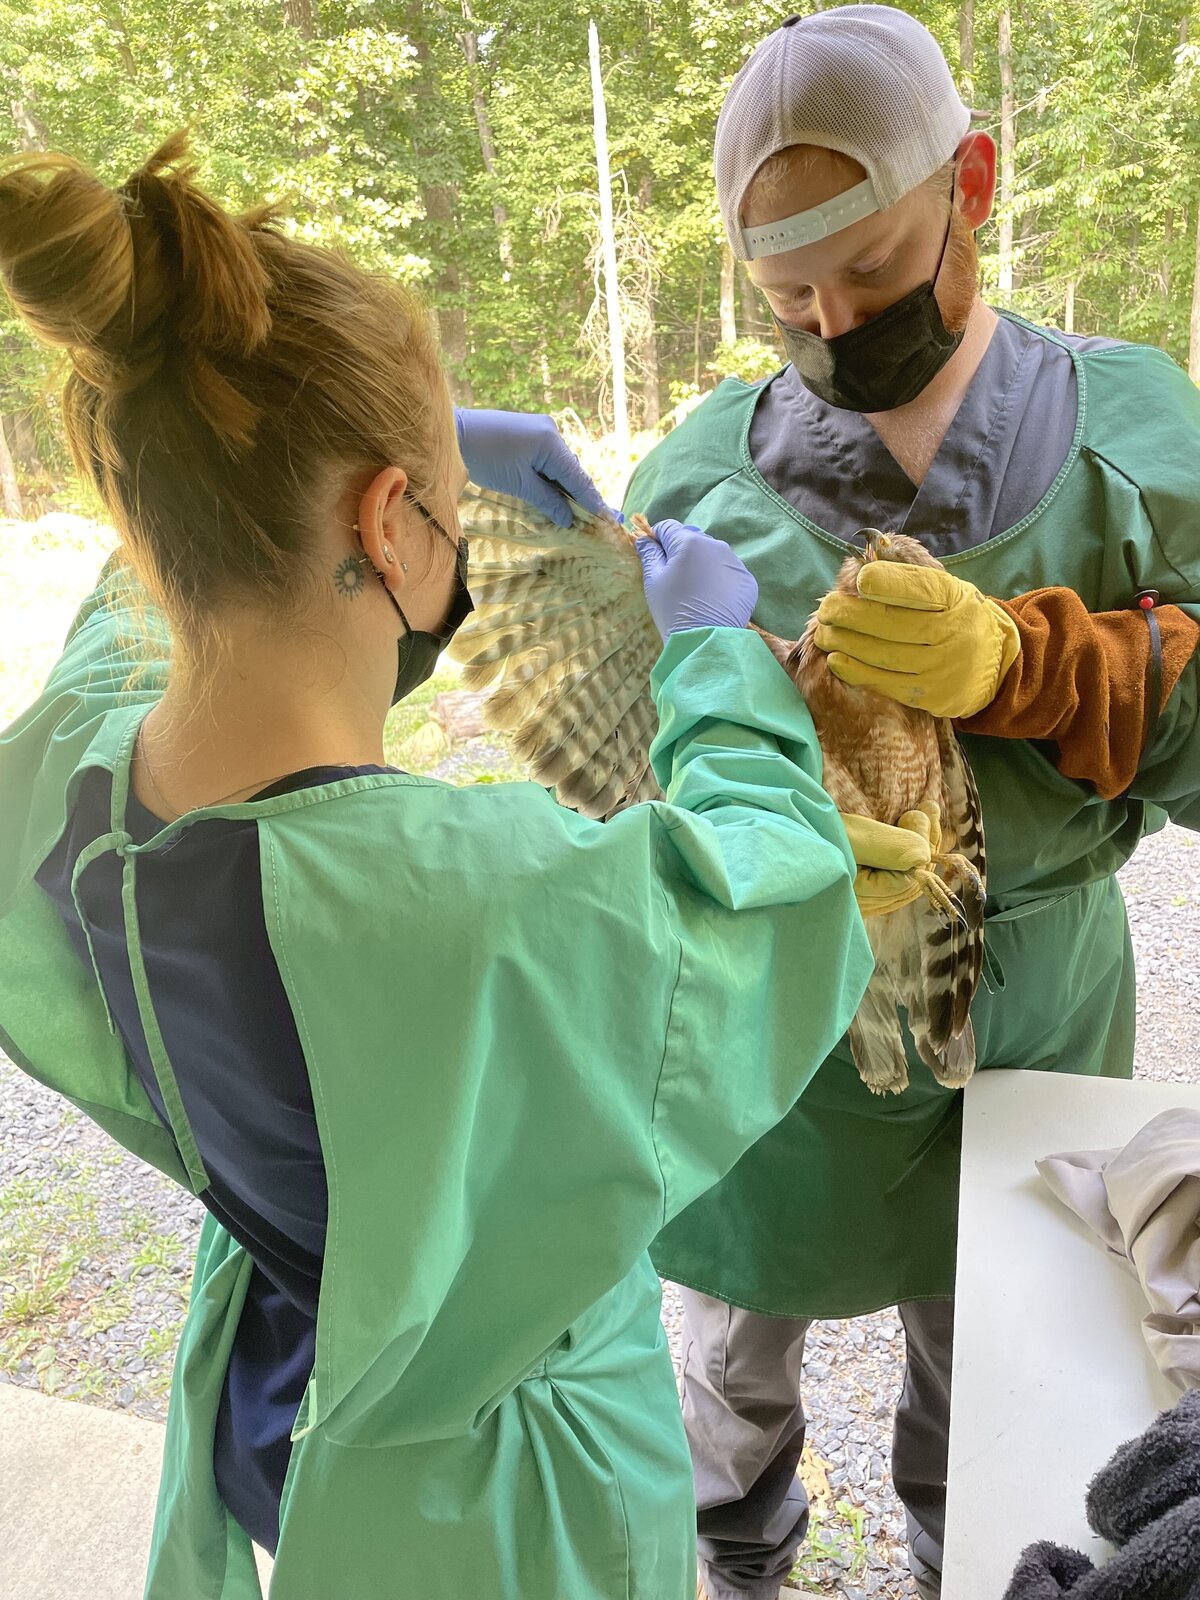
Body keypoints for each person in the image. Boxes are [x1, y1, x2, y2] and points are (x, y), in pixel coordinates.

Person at [0, 134, 876, 1598]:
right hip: (507, 1514)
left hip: (294, 1399)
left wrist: (411, 443)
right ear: (387, 522)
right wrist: (723, 655)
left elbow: (157, 585)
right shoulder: (491, 909)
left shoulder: (54, 789)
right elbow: (780, 886)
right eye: (440, 508)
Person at [622, 8, 1200, 1599]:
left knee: (995, 1355)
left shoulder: (1135, 439)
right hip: (774, 1042)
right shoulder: (701, 477)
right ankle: (737, 1564)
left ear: (976, 184)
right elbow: (630, 753)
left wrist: (1035, 665)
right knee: (730, 1361)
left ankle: (964, 1561)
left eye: (872, 270)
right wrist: (751, 763)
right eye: (786, 294)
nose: (829, 321)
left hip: (1025, 1023)